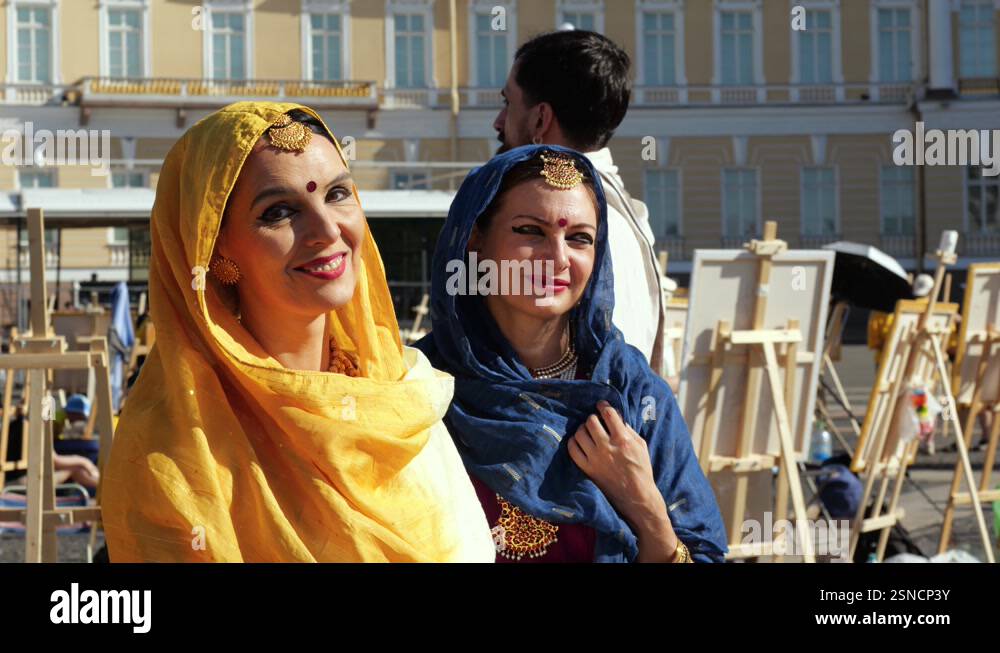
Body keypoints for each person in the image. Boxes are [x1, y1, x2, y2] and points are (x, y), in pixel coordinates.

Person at [101, 102, 494, 562]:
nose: (327, 230)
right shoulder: (180, 445)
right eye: (280, 211)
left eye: (337, 194)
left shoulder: (402, 392)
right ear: (215, 245)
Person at [415, 145, 727, 562]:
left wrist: (645, 506)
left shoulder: (628, 391)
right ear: (476, 239)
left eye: (579, 238)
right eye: (530, 231)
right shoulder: (420, 387)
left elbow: (704, 554)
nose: (558, 257)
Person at [492, 29, 673, 380]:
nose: (498, 122)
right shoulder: (617, 214)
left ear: (540, 120)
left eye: (508, 103)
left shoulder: (600, 223)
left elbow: (602, 386)